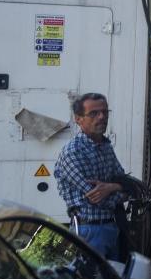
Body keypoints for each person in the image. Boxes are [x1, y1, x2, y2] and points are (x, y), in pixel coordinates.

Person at [53, 93, 127, 261]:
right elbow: (100, 199)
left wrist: (113, 187)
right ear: (78, 119)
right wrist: (122, 190)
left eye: (105, 112)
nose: (102, 117)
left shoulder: (105, 146)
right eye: (94, 113)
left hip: (111, 228)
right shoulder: (73, 152)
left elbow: (126, 181)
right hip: (90, 233)